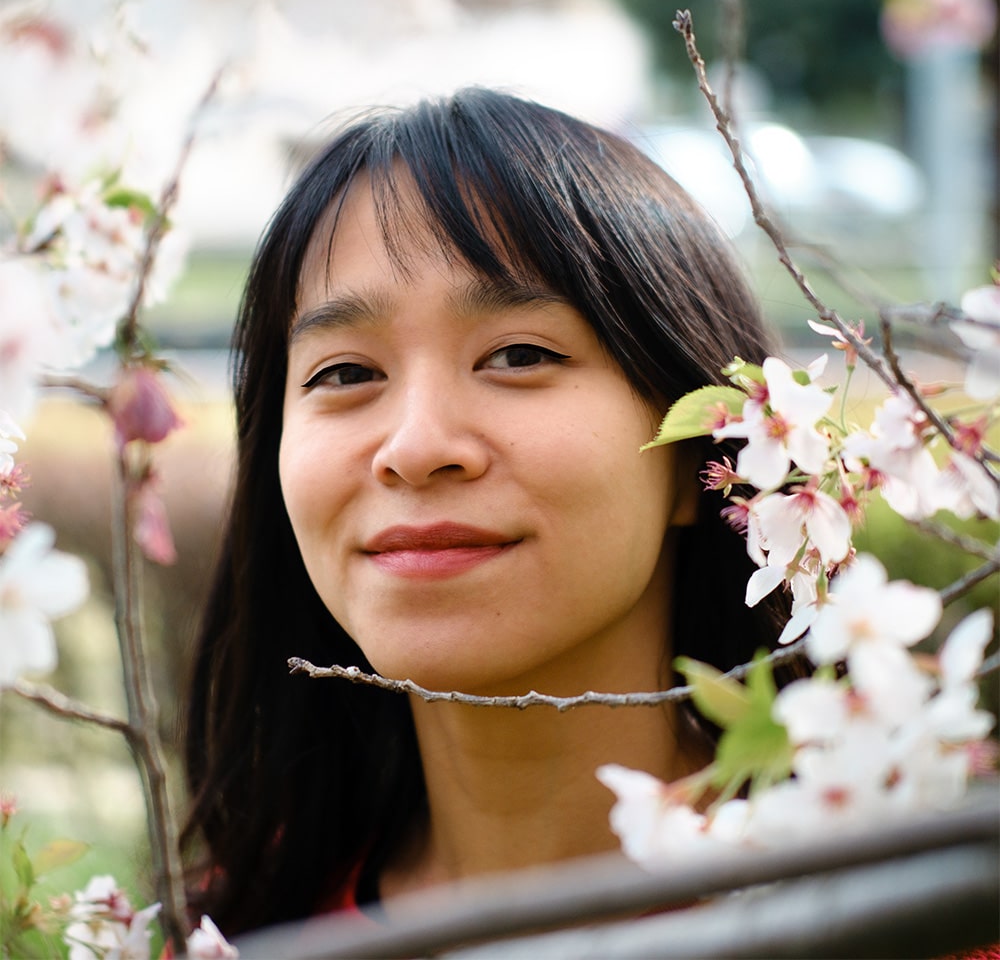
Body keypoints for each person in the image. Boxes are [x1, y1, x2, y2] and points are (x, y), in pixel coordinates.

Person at [181, 86, 793, 937]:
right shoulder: (235, 938)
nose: (416, 445)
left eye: (518, 355)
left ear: (703, 454)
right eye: (345, 372)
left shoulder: (918, 917)